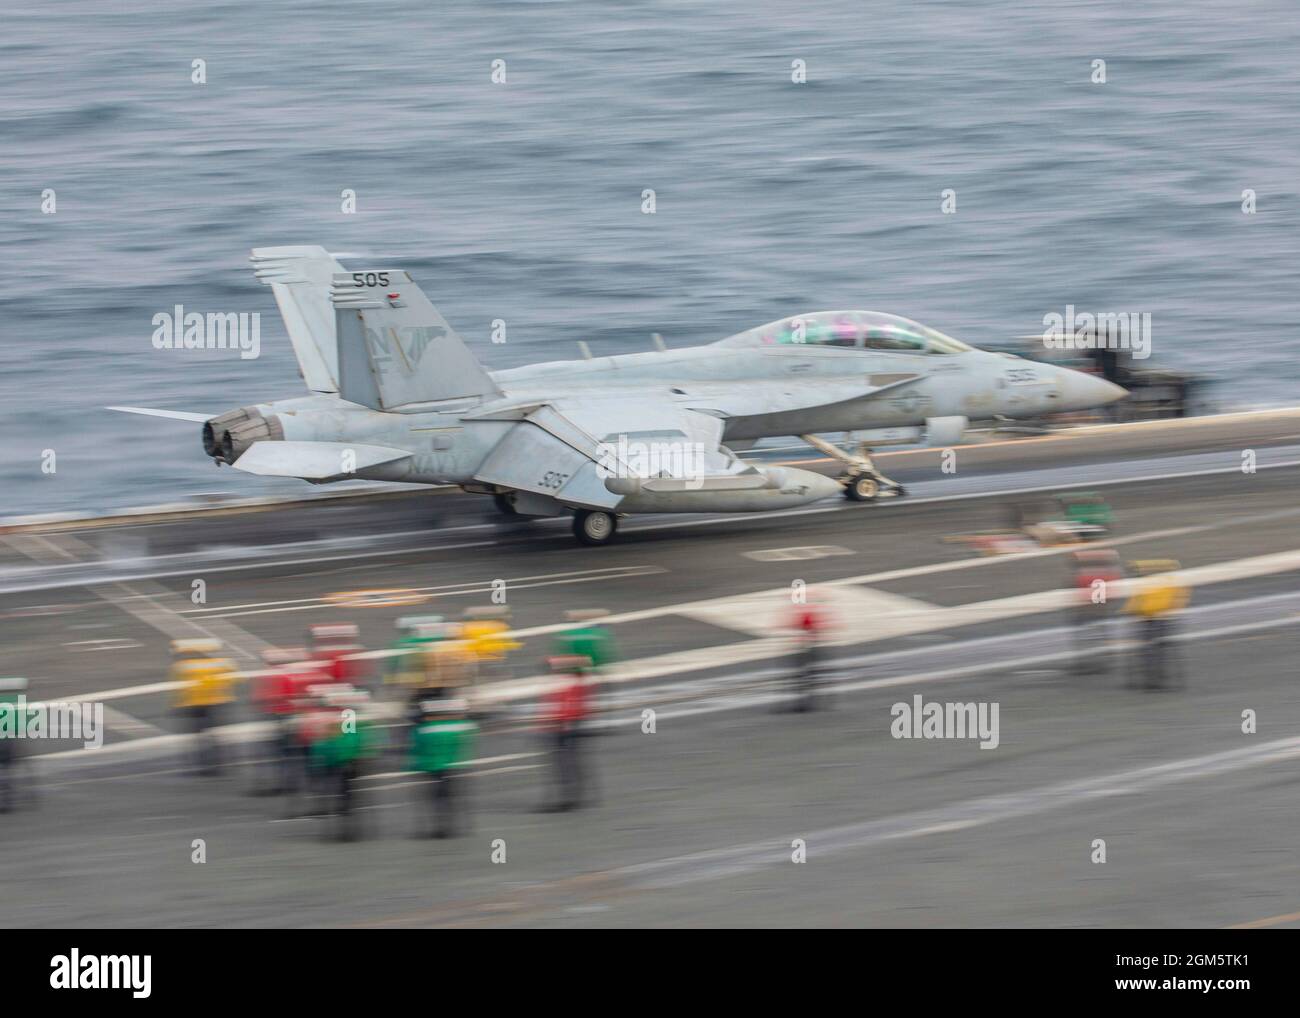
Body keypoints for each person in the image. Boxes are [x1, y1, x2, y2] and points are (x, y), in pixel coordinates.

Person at [409, 697, 478, 838]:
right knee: (451, 797)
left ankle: (442, 828)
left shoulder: (424, 730)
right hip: (456, 765)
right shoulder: (461, 726)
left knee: (438, 798)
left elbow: (418, 748)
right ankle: (453, 826)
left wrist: (414, 766)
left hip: (435, 766)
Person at [170, 639, 237, 775]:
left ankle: (202, 764)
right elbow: (233, 678)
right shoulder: (221, 663)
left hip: (194, 704)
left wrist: (176, 705)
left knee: (198, 737)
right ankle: (218, 763)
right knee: (213, 735)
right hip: (217, 702)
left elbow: (179, 686)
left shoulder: (183, 665)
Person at [1124, 560, 1190, 689]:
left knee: (1151, 645)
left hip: (1160, 621)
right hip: (1153, 620)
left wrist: (1131, 611)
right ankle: (1154, 673)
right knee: (1151, 645)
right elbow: (1134, 603)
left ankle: (1153, 674)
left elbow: (1134, 604)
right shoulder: (1163, 584)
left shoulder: (1159, 586)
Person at [539, 655, 593, 812]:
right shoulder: (573, 682)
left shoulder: (572, 683)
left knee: (566, 762)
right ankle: (572, 796)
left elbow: (584, 662)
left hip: (566, 726)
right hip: (565, 725)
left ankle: (570, 798)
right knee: (569, 762)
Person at [1068, 549, 1123, 673]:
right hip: (1100, 610)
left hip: (1088, 611)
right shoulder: (1107, 576)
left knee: (1083, 634)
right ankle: (1105, 657)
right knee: (1102, 633)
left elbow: (1079, 592)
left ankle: (1084, 661)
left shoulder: (1084, 578)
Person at [787, 596, 832, 711]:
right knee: (808, 676)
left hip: (807, 649)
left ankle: (806, 702)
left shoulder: (807, 614)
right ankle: (808, 701)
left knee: (806, 676)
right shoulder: (812, 613)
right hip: (809, 648)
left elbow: (810, 630)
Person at [0, 677, 30, 813]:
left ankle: (7, 799)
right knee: (6, 770)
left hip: (6, 749)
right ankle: (7, 799)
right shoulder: (11, 705)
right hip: (7, 748)